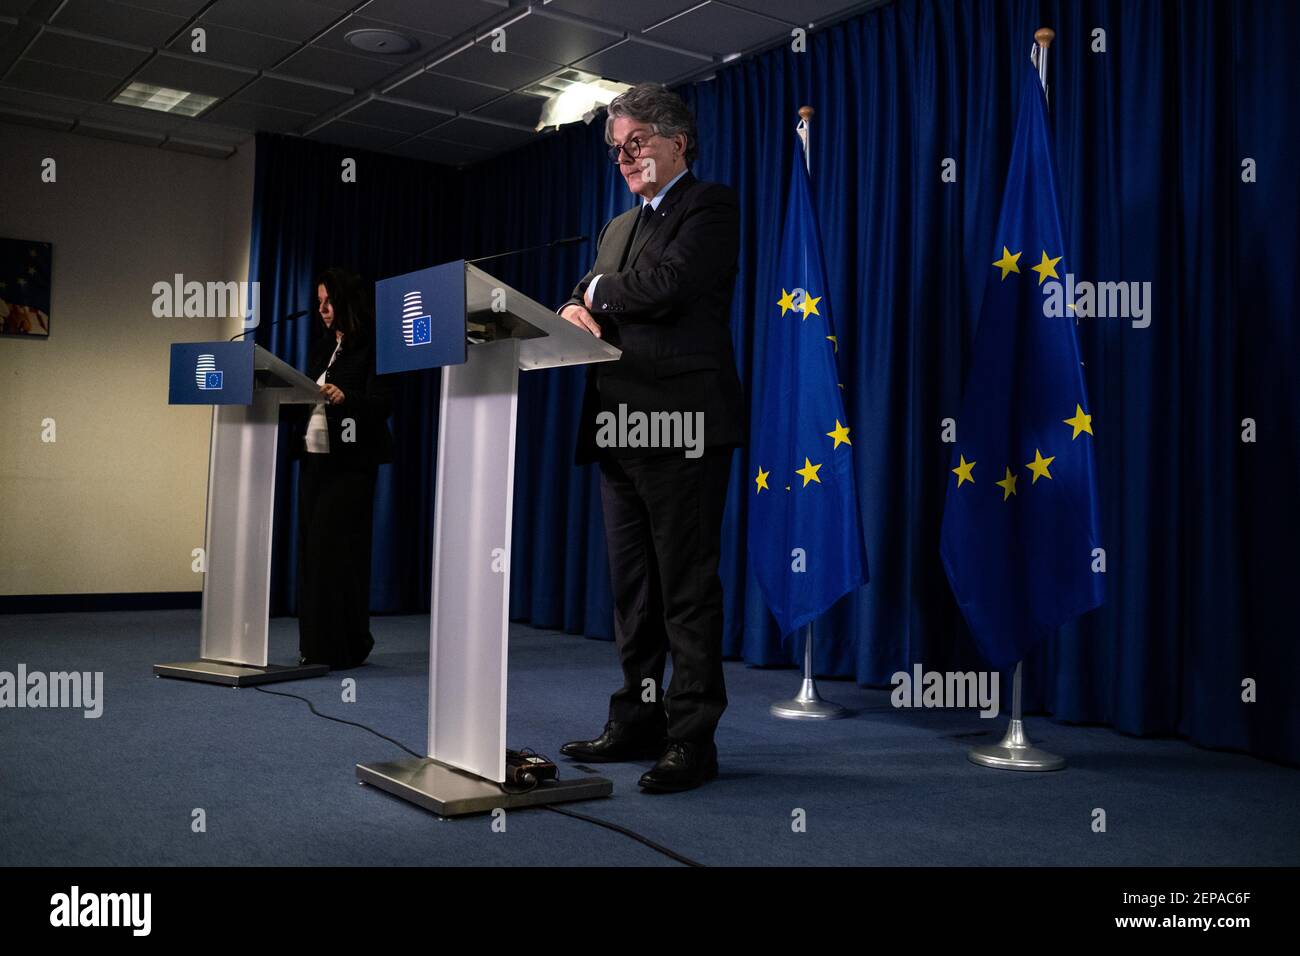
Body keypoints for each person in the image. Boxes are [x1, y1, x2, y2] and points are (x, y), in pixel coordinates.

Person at [557, 83, 743, 792]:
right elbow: (582, 291)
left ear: (678, 142)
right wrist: (578, 302)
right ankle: (638, 718)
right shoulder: (614, 228)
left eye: (636, 142)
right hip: (618, 428)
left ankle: (693, 740)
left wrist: (595, 297)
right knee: (634, 594)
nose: (625, 158)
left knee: (685, 592)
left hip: (684, 427)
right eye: (616, 149)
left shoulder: (711, 206)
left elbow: (667, 284)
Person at [290, 267, 394, 669]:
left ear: (347, 302)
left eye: (328, 302)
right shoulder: (321, 347)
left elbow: (383, 404)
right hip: (314, 461)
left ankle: (344, 645)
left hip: (351, 465)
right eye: (318, 303)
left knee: (336, 555)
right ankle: (315, 647)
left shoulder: (373, 346)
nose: (322, 310)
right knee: (312, 555)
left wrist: (344, 396)